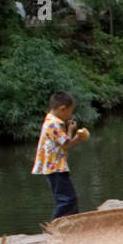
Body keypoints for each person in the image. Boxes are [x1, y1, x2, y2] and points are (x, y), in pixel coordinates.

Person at [32, 91, 93, 220]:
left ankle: (71, 225)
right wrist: (79, 137)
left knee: (70, 198)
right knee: (67, 200)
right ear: (62, 109)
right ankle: (55, 228)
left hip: (58, 167)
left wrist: (71, 131)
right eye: (70, 111)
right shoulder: (52, 125)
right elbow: (66, 143)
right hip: (55, 168)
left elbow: (64, 143)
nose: (70, 115)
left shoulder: (53, 122)